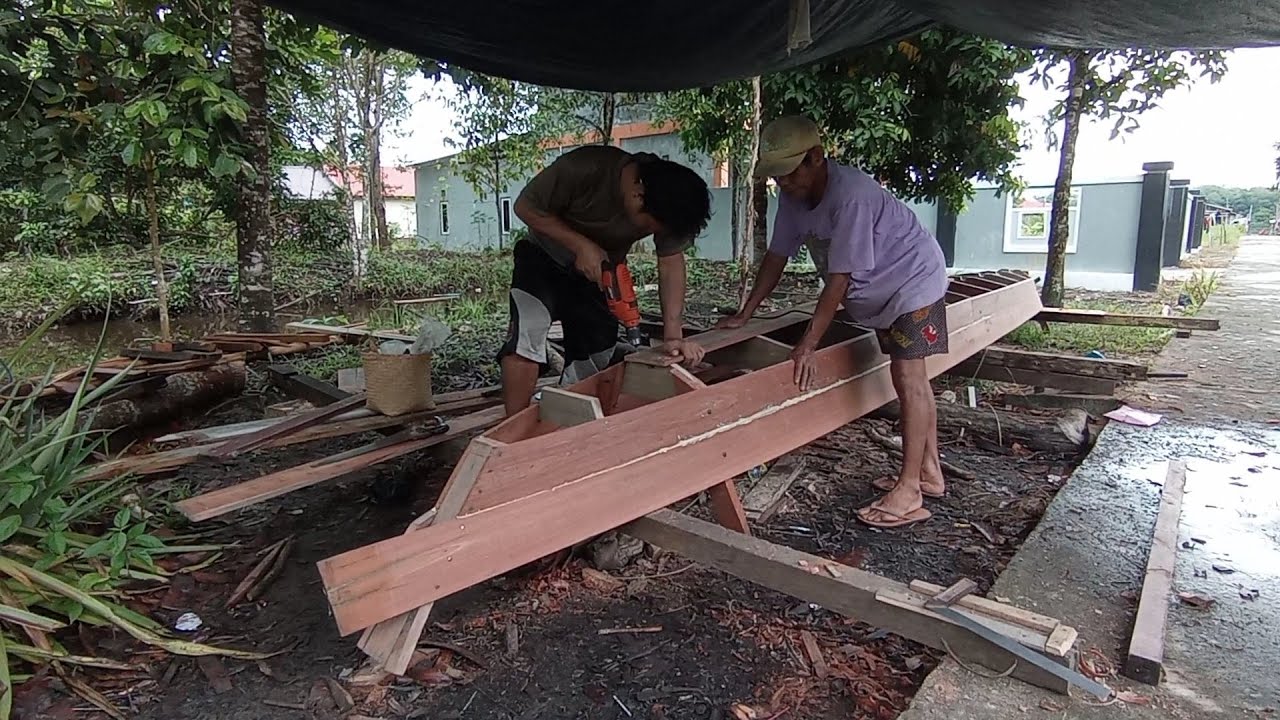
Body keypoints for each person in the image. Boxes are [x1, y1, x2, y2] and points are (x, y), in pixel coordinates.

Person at [718, 115, 949, 529]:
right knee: (908, 378)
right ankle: (929, 472)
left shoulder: (852, 197)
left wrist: (808, 344)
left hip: (913, 279)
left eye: (788, 174)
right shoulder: (793, 195)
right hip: (880, 290)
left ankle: (910, 488)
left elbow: (839, 280)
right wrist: (747, 312)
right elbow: (776, 257)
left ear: (816, 159)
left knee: (909, 376)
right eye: (777, 177)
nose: (782, 184)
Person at [501, 144, 712, 416]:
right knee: (526, 340)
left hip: (599, 271)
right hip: (541, 257)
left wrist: (673, 337)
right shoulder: (584, 168)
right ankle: (513, 433)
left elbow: (671, 264)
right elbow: (525, 206)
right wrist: (580, 245)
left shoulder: (668, 203)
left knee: (597, 350)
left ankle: (566, 420)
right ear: (637, 195)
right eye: (648, 227)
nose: (649, 234)